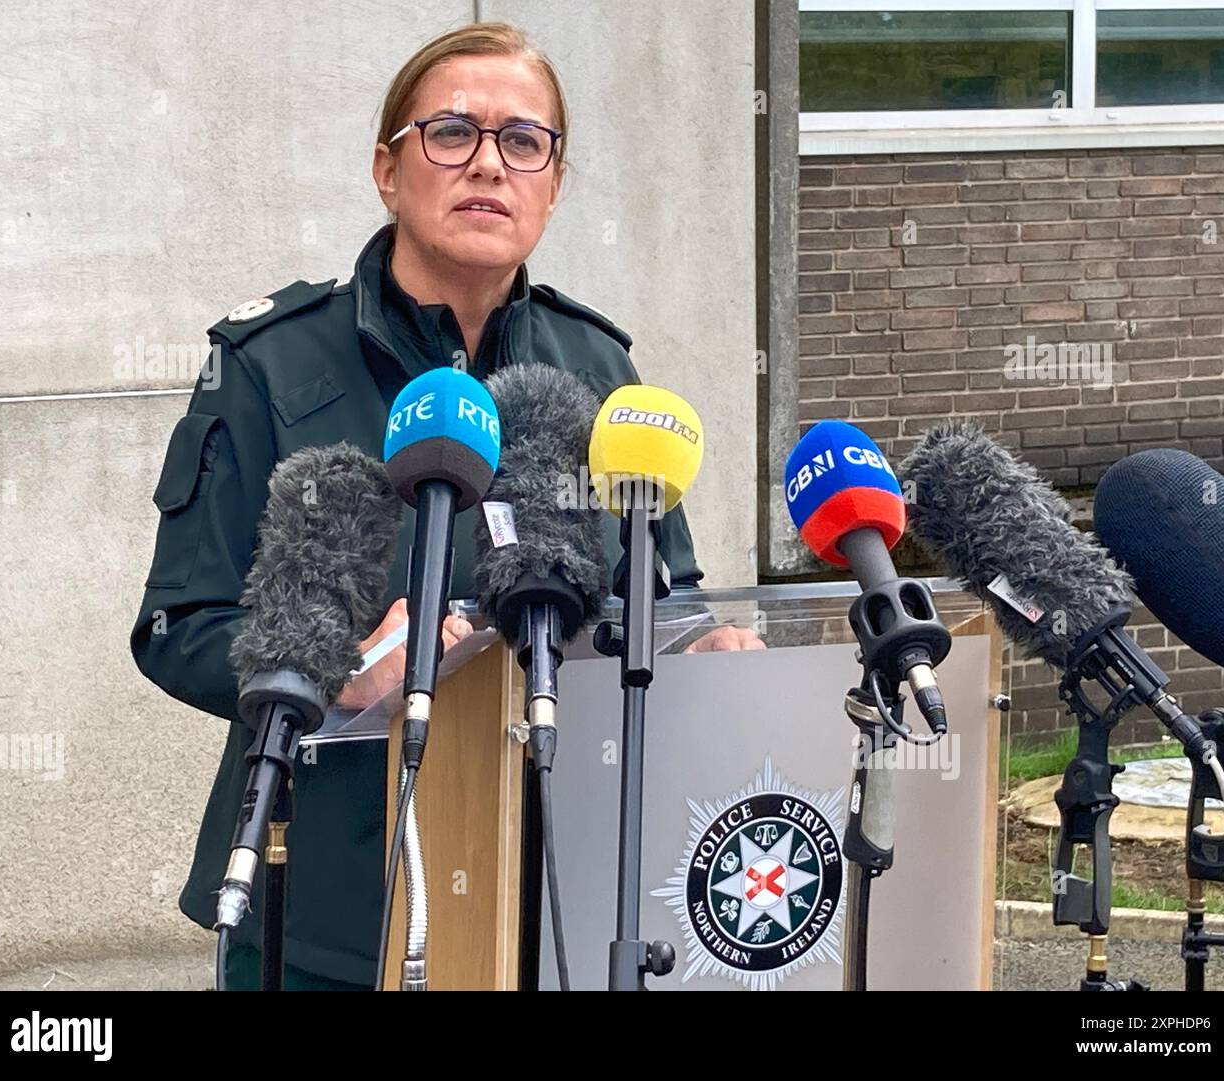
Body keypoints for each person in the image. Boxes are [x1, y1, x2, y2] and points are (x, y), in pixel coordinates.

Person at [131, 21, 760, 991]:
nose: (488, 164)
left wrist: (700, 654)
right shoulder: (268, 363)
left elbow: (663, 600)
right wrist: (326, 670)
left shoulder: (597, 371)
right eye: (451, 132)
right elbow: (181, 624)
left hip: (552, 887)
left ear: (553, 182)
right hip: (326, 904)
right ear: (388, 168)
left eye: (523, 140)